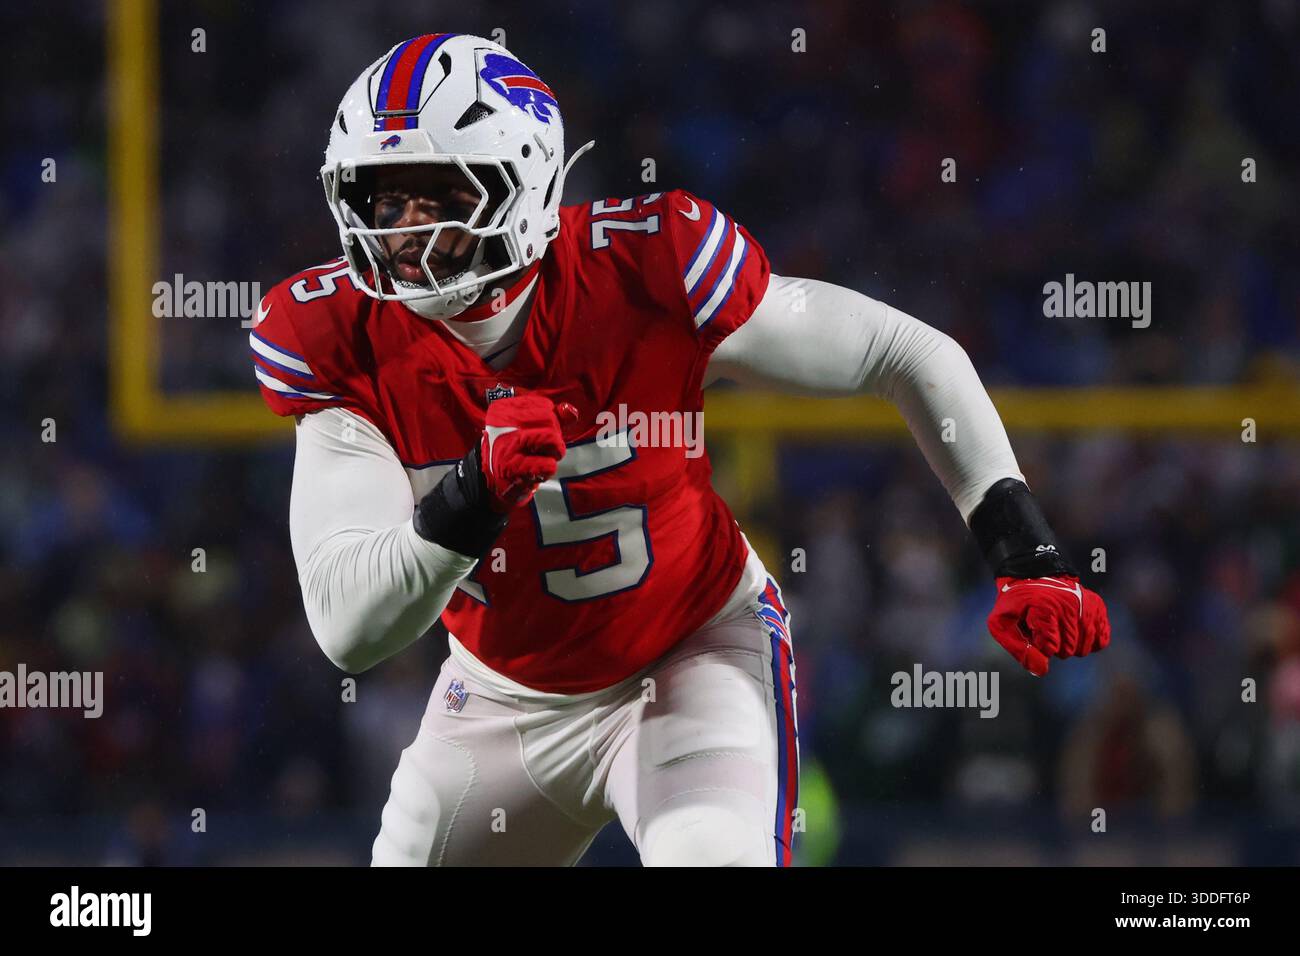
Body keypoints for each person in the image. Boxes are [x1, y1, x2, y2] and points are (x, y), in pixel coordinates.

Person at [250, 32, 1110, 866]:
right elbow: (350, 629)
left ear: (522, 180)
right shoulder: (337, 337)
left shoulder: (648, 268)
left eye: (435, 195)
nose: (404, 230)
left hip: (690, 651)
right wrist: (473, 492)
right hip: (501, 696)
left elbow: (905, 353)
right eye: (383, 200)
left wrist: (1022, 545)